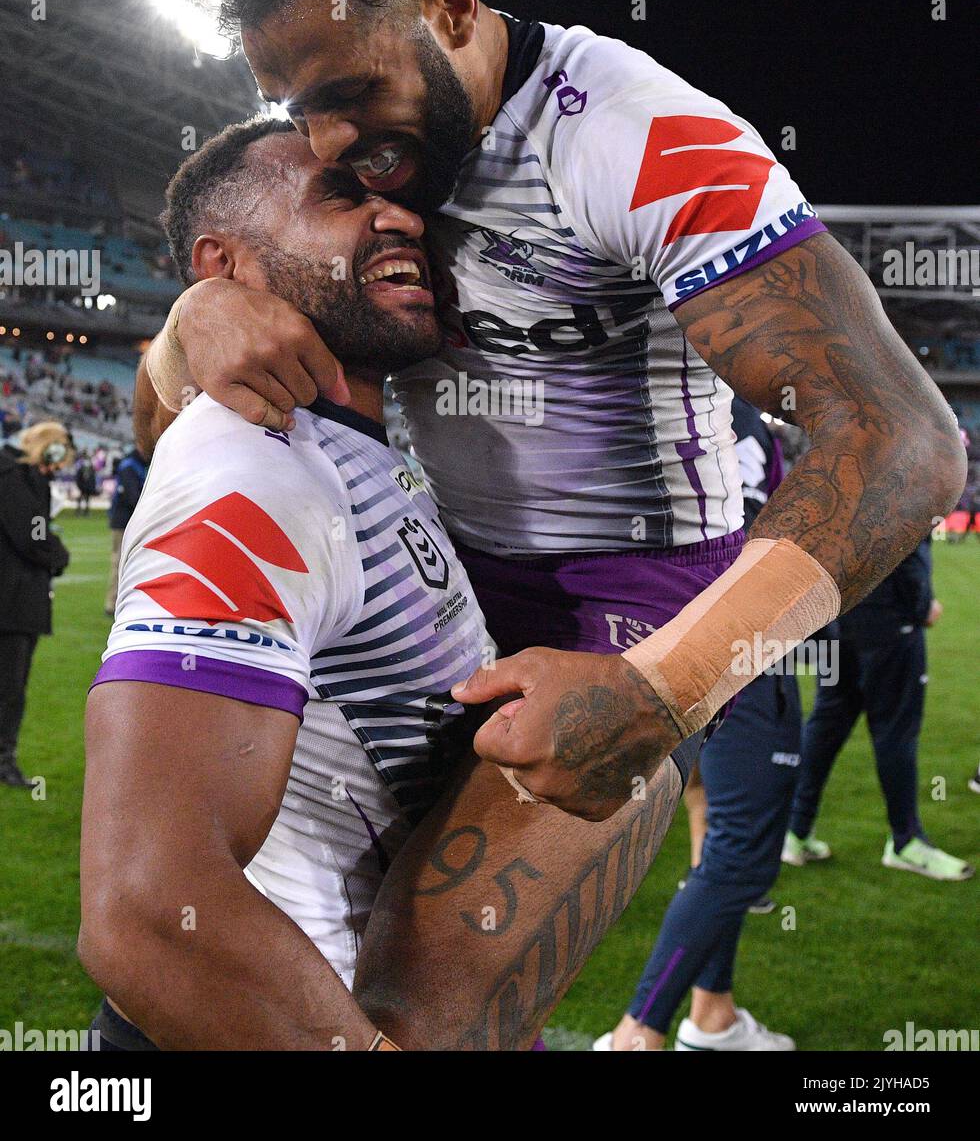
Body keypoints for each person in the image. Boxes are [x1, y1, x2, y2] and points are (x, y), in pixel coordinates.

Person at [133, 0, 965, 1041]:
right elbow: (196, 401)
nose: (330, 146)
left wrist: (661, 692)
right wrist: (183, 325)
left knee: (412, 1007)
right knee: (241, 966)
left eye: (349, 94)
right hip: (424, 590)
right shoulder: (369, 167)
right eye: (292, 105)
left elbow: (901, 444)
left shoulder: (635, 138)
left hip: (633, 606)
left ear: (452, 5)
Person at [80, 122, 687, 1052]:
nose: (398, 214)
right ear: (222, 262)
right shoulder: (253, 468)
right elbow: (148, 914)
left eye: (398, 196)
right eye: (340, 195)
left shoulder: (359, 441)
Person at [594, 399, 802, 1051]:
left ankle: (711, 1014)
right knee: (741, 854)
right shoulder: (721, 409)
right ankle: (638, 1032)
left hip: (664, 645)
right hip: (736, 651)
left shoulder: (666, 393)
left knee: (710, 830)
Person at [784, 537, 974, 882]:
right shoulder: (898, 482)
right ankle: (905, 842)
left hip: (838, 619)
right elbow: (906, 537)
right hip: (887, 624)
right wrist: (922, 605)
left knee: (826, 727)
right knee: (895, 732)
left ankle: (796, 831)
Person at [0, 421, 72, 788]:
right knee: (10, 687)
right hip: (14, 601)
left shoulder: (15, 474)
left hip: (15, 598)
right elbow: (34, 536)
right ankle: (3, 760)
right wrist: (59, 556)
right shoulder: (14, 477)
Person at [104, 445, 148, 615]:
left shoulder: (136, 464)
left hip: (129, 520)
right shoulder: (130, 466)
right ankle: (112, 602)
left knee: (126, 563)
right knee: (119, 562)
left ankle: (122, 601)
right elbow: (133, 497)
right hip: (123, 521)